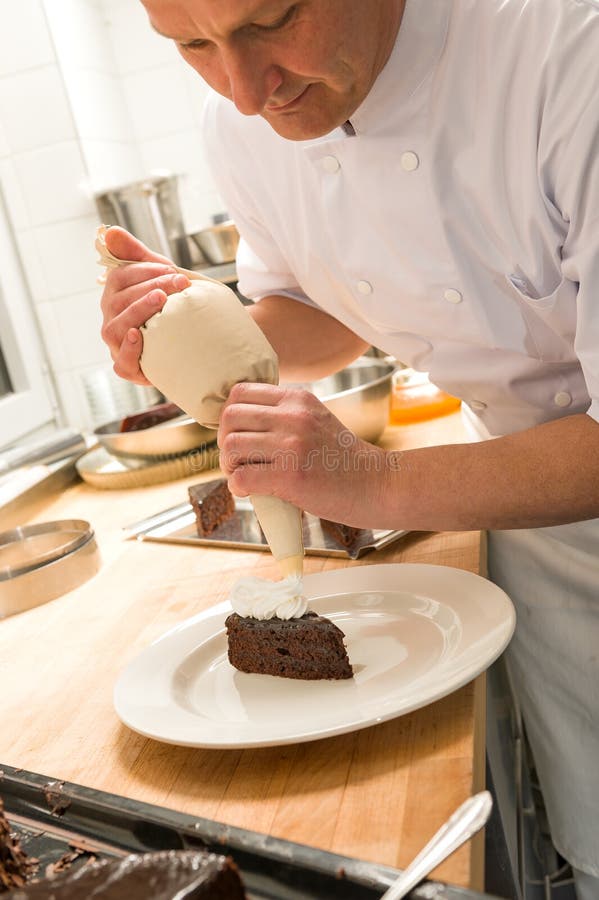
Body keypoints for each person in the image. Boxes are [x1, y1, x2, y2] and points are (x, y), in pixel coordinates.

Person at [99, 1, 599, 895]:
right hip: (526, 518)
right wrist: (196, 336)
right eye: (192, 45)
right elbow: (325, 311)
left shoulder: (567, 51)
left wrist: (369, 480)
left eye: (273, 19)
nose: (244, 91)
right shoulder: (239, 127)